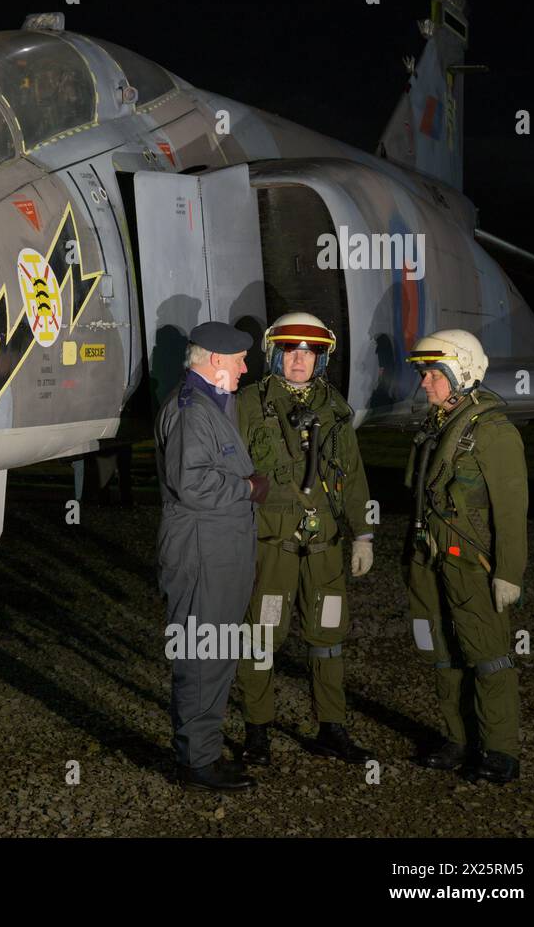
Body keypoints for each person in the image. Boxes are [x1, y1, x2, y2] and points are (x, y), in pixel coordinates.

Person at [235, 313, 375, 767]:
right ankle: (257, 731)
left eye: (309, 354)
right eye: (291, 353)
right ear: (275, 354)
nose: (299, 361)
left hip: (325, 547)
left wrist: (364, 535)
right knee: (261, 637)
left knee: (328, 637)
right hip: (271, 544)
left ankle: (330, 728)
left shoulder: (335, 410)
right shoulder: (246, 405)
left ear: (321, 360)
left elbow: (352, 477)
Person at [404, 329, 527, 783]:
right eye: (423, 372)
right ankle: (458, 738)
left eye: (434, 373)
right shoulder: (436, 427)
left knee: (489, 657)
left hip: (470, 563)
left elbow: (512, 510)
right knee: (441, 653)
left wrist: (509, 573)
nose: (425, 382)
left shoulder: (493, 433)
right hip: (430, 560)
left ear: (463, 373)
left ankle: (500, 751)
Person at [155, 320, 266, 791]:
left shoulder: (215, 403)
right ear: (216, 361)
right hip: (202, 555)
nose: (245, 368)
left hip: (218, 552)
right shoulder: (191, 411)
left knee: (217, 652)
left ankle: (202, 749)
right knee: (204, 654)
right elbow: (192, 482)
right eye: (239, 360)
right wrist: (245, 487)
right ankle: (197, 762)